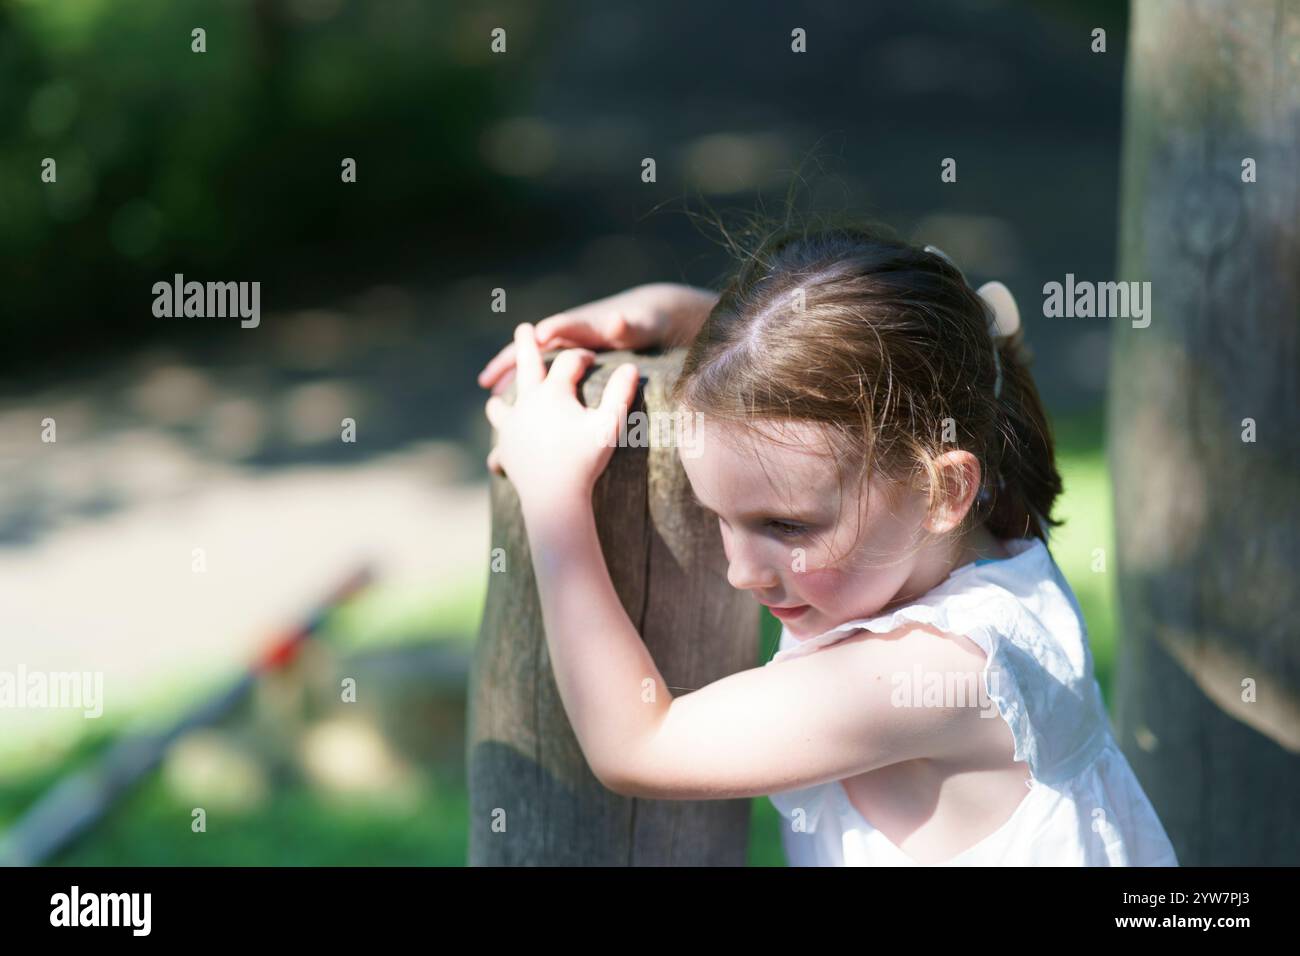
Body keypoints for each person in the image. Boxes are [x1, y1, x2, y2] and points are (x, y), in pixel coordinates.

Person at [476, 219, 1179, 866]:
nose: (741, 571)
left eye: (785, 527)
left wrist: (553, 497)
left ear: (943, 491)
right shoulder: (988, 529)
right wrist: (690, 316)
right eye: (717, 515)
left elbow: (639, 745)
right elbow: (876, 367)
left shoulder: (941, 672)